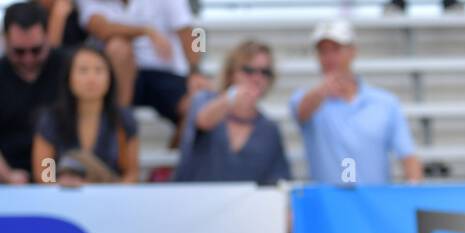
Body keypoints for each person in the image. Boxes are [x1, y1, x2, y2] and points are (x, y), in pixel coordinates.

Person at [290, 19, 421, 185]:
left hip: (372, 206)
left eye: (336, 50)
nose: (329, 57)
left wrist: (411, 194)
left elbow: (408, 155)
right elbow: (302, 110)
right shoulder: (306, 100)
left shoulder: (385, 103)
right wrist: (323, 89)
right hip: (328, 206)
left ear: (352, 51)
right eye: (323, 51)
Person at [173, 40, 289, 185]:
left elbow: (277, 180)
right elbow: (203, 121)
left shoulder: (269, 130)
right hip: (194, 203)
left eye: (265, 72)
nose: (257, 78)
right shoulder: (205, 99)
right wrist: (231, 97)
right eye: (248, 70)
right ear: (230, 73)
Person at [79, 0, 206, 130]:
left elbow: (196, 33)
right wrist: (146, 31)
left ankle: (175, 147)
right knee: (118, 47)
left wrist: (196, 71)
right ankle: (122, 125)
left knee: (197, 107)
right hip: (119, 77)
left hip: (164, 72)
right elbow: (101, 28)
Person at [32, 44, 138, 183]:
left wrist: (114, 193)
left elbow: (132, 173)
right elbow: (44, 174)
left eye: (99, 70)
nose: (91, 78)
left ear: (109, 77)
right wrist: (60, 185)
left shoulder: (124, 119)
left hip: (110, 199)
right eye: (83, 70)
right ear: (69, 77)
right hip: (64, 198)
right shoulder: (51, 119)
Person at [0, 2, 66, 184]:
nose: (28, 58)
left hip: (60, 171)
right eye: (19, 51)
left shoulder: (69, 69)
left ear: (47, 37)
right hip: (9, 175)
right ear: (5, 40)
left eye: (36, 50)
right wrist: (8, 176)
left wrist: (52, 179)